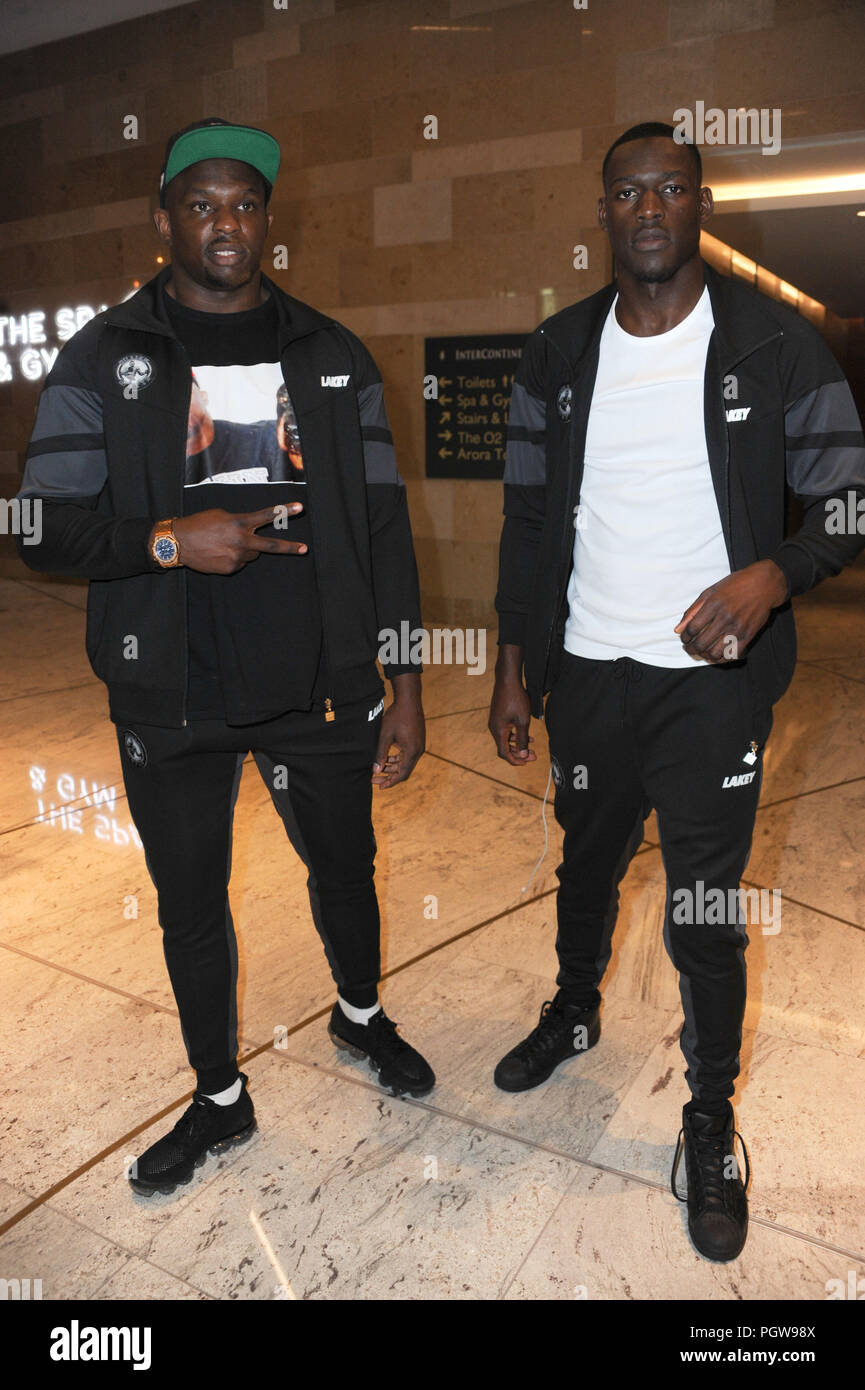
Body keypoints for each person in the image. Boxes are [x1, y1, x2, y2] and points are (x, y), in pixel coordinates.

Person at [16, 117, 433, 1199]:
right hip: (174, 692)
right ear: (164, 219)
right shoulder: (105, 356)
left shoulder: (333, 356)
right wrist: (165, 539)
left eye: (243, 204)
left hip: (321, 685)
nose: (224, 224)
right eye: (200, 205)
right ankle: (218, 1098)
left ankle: (359, 1015)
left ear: (268, 219)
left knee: (345, 871)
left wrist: (409, 681)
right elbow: (36, 524)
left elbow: (384, 526)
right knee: (191, 901)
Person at [488, 122, 865, 1261]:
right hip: (589, 676)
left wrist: (773, 574)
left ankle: (707, 1116)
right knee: (584, 859)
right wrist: (515, 665)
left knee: (704, 905)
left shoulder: (775, 348)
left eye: (669, 188)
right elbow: (522, 521)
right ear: (601, 210)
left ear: (700, 201)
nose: (647, 208)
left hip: (711, 686)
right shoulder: (556, 352)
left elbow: (849, 506)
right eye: (625, 191)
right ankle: (572, 1005)